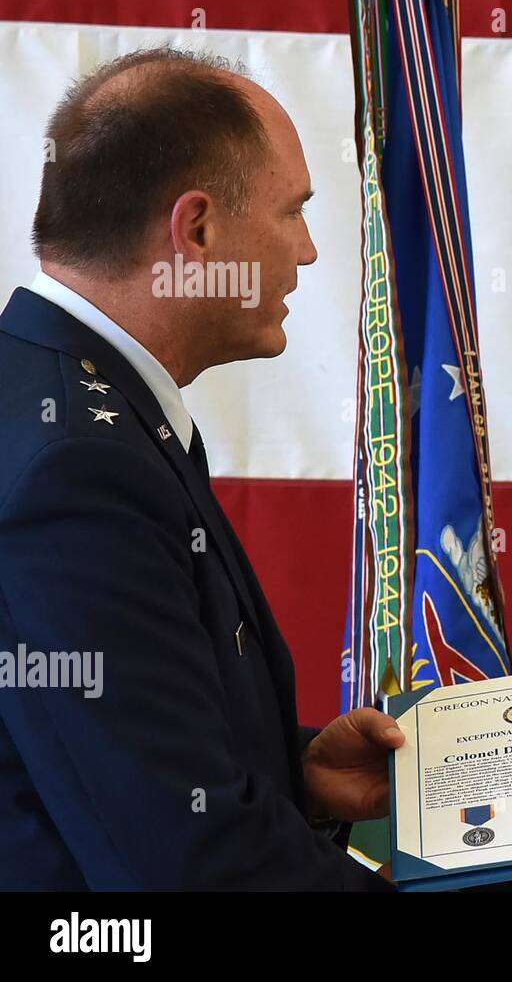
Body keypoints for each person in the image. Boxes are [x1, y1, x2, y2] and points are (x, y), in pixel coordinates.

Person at [0, 48, 399, 890]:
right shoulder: (78, 465)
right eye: (293, 212)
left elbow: (108, 763)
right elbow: (184, 865)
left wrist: (297, 780)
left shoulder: (70, 401)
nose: (310, 251)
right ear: (199, 230)